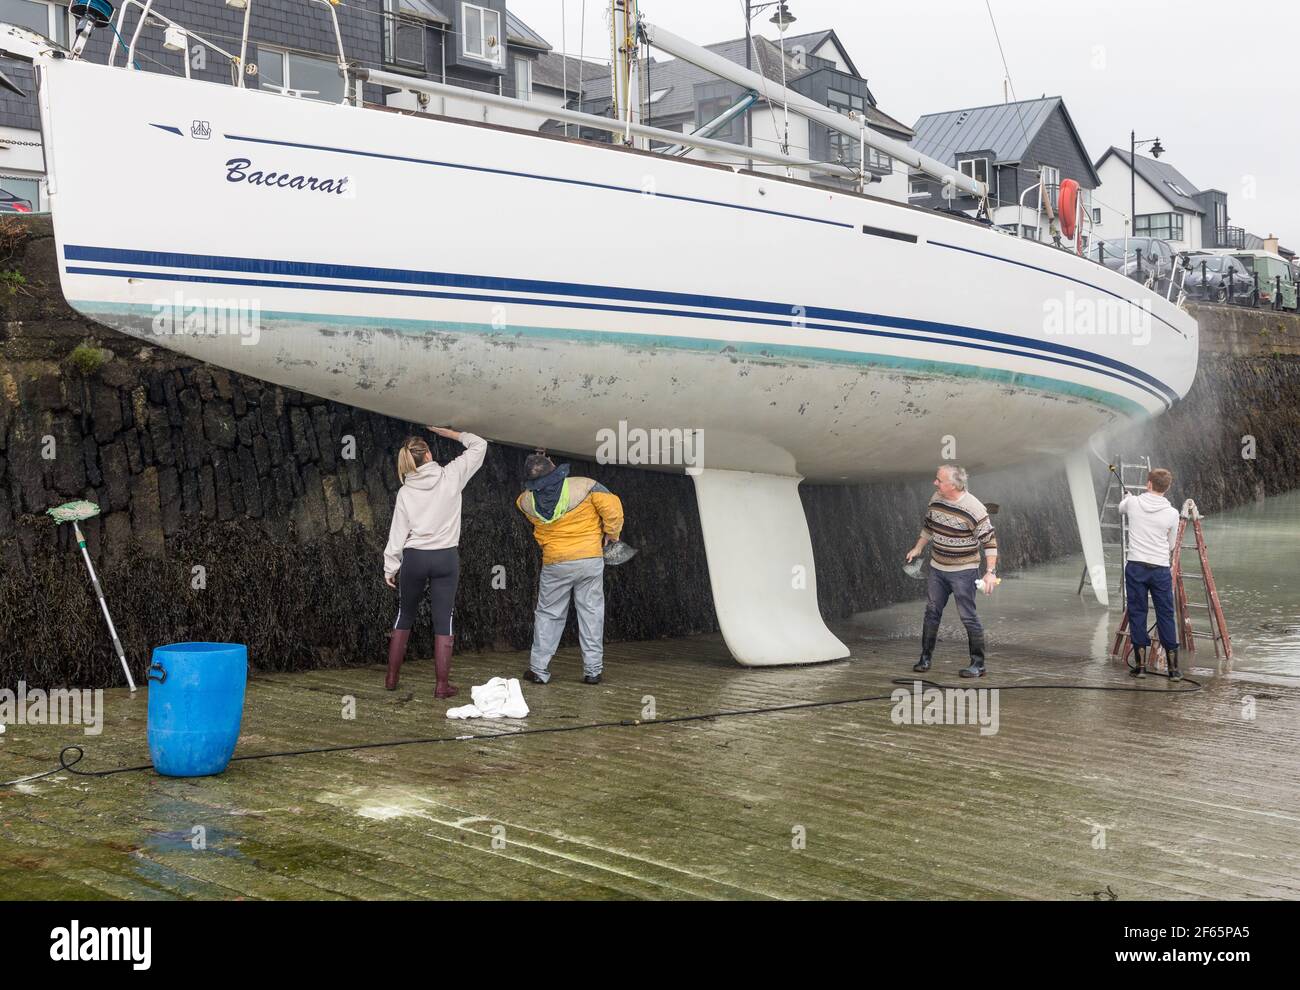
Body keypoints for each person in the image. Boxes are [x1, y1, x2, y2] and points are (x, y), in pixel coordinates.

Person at [383, 426, 488, 697]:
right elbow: (479, 445)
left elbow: (398, 532)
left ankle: (391, 679)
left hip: (415, 558)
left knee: (404, 616)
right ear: (428, 454)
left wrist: (390, 566)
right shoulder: (451, 476)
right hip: (445, 558)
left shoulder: (405, 492)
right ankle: (441, 686)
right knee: (444, 620)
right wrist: (449, 433)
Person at [516, 452, 623, 685]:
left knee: (548, 614)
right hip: (589, 558)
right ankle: (593, 671)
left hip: (555, 561)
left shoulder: (524, 501)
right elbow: (613, 508)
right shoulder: (587, 485)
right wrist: (611, 534)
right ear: (554, 467)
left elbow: (540, 524)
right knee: (591, 612)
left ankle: (539, 670)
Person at [905, 464, 999, 678]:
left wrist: (990, 571)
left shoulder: (974, 508)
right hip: (937, 568)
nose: (934, 483)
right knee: (931, 612)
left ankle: (978, 664)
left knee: (968, 616)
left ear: (953, 485)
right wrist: (918, 547)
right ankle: (925, 658)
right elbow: (929, 527)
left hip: (964, 571)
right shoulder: (936, 498)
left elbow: (990, 542)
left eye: (939, 480)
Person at [1119, 468, 1181, 680]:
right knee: (1165, 614)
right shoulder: (1173, 513)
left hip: (1136, 567)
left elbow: (1121, 508)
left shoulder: (1133, 503)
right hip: (1160, 569)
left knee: (1138, 612)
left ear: (1148, 484)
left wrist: (1128, 498)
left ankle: (1141, 667)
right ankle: (1173, 670)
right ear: (1168, 487)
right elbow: (1171, 544)